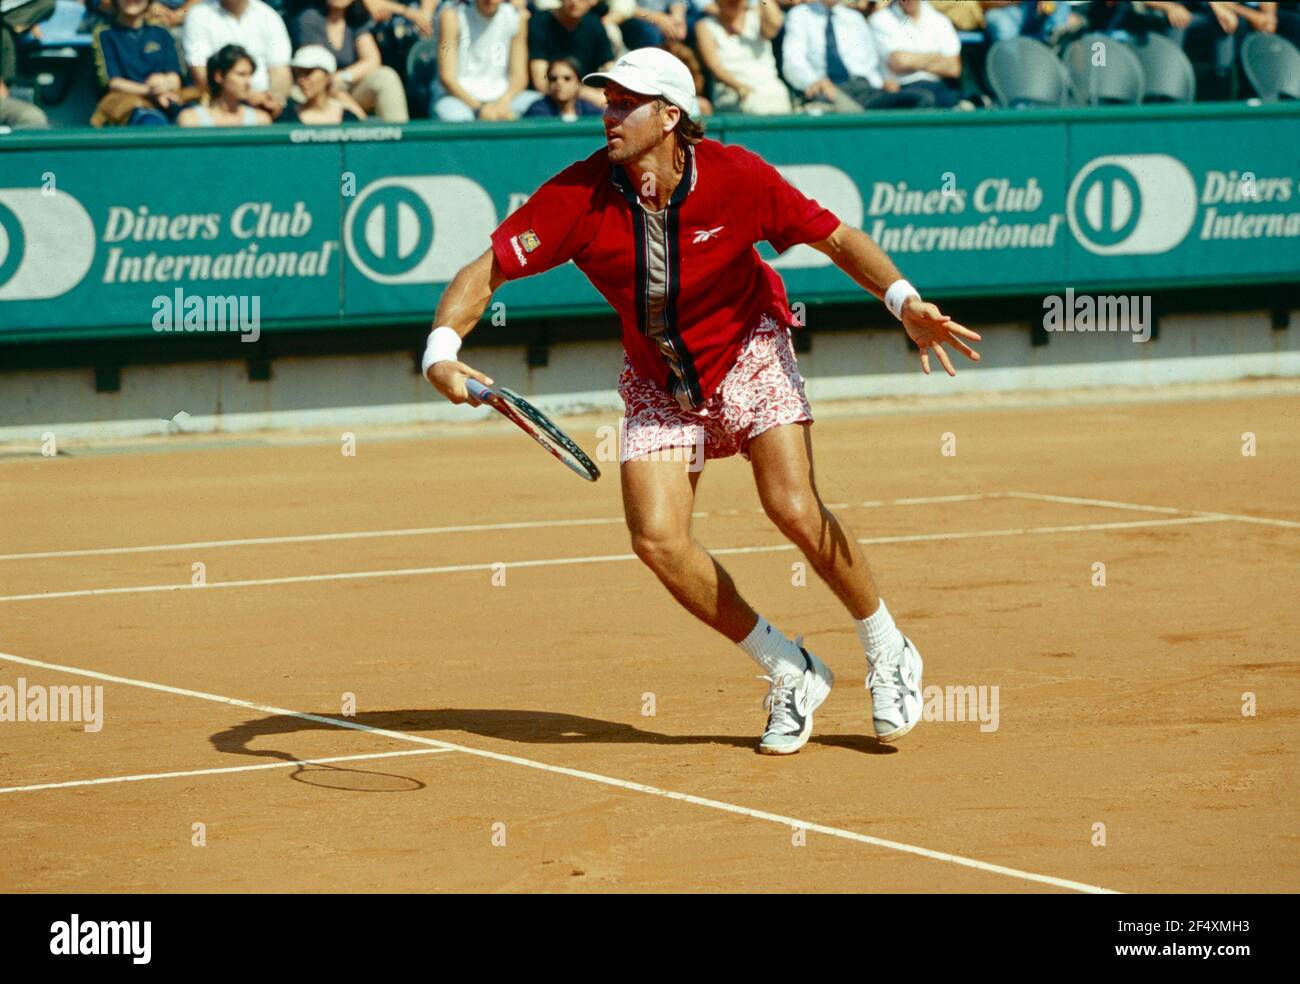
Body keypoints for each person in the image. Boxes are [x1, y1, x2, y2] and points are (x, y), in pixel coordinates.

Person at [420, 47, 980, 755]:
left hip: (750, 352)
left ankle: (887, 645)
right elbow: (486, 271)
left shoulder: (738, 177)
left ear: (671, 116)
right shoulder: (578, 198)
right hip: (659, 383)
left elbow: (834, 237)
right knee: (656, 539)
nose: (609, 112)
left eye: (627, 102)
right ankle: (789, 667)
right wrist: (440, 351)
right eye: (607, 99)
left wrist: (904, 303)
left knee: (792, 505)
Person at [783, 0, 931, 112]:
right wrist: (814, 81)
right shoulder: (799, 15)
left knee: (921, 98)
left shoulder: (854, 18)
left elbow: (872, 63)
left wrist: (884, 81)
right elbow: (793, 61)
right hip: (828, 91)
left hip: (865, 91)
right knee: (828, 108)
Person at [292, 0, 408, 121]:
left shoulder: (355, 20)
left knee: (386, 77)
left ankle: (399, 135)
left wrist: (343, 77)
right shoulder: (310, 18)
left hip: (347, 87)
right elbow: (315, 75)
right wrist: (355, 111)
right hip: (315, 91)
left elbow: (372, 59)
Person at [90, 0, 197, 125]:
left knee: (191, 117)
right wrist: (149, 90)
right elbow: (113, 83)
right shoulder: (105, 35)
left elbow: (175, 78)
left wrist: (163, 85)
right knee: (152, 122)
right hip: (128, 103)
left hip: (167, 97)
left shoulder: (161, 32)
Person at [434, 0, 542, 121]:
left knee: (542, 105)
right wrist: (479, 109)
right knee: (458, 119)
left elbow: (519, 77)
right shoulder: (451, 16)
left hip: (503, 97)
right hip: (457, 98)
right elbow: (447, 77)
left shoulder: (516, 17)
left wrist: (503, 103)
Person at [183, 0, 292, 116]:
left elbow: (281, 70)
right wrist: (248, 95)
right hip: (218, 104)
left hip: (265, 104)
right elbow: (201, 73)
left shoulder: (269, 16)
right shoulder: (198, 15)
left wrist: (276, 101)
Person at [695, 0, 791, 114]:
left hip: (771, 89)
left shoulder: (757, 19)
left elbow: (775, 25)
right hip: (731, 93)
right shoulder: (705, 25)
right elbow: (714, 67)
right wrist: (740, 87)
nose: (733, 3)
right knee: (756, 106)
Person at [869, 0, 963, 108]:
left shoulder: (941, 20)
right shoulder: (880, 19)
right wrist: (937, 58)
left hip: (942, 87)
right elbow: (899, 62)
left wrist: (910, 60)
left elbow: (954, 68)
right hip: (904, 88)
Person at [528, 0, 615, 106]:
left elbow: (611, 70)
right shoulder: (541, 22)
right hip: (549, 98)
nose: (574, 2)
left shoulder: (595, 24)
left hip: (586, 101)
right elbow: (541, 83)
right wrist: (588, 94)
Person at [177, 41, 273, 123]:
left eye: (249, 75)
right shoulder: (192, 120)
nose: (248, 82)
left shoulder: (259, 120)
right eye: (241, 74)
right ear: (219, 76)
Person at [279, 43, 366, 121]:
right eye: (298, 73)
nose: (301, 80)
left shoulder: (347, 117)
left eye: (308, 72)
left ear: (328, 76)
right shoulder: (287, 116)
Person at [523, 55, 604, 117]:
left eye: (567, 78)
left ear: (578, 83)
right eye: (553, 79)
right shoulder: (537, 111)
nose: (559, 83)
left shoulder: (591, 112)